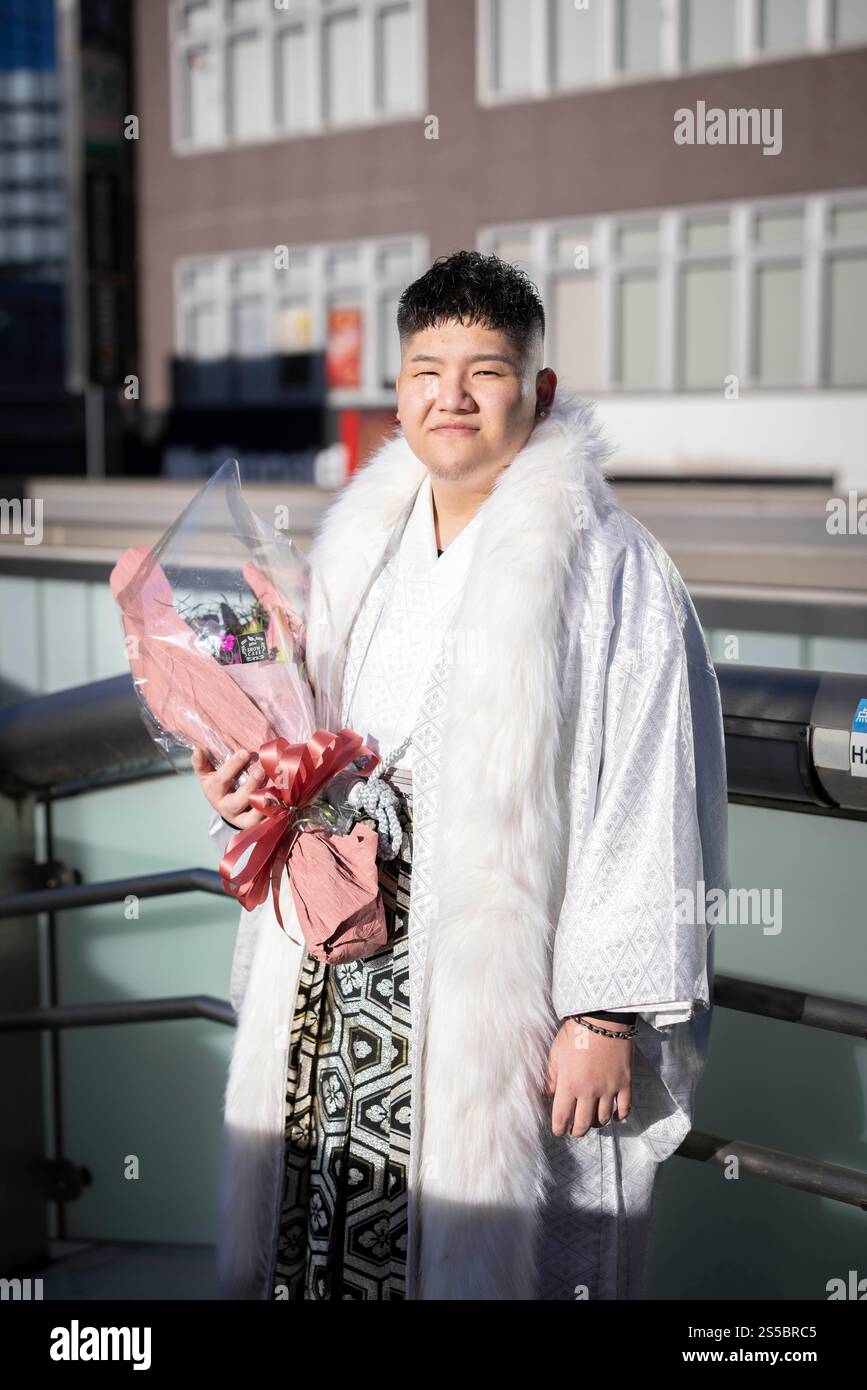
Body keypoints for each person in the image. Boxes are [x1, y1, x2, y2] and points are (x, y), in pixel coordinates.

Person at [192, 249, 729, 1301]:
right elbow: (300, 738)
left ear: (540, 388)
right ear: (396, 391)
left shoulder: (610, 564)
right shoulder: (363, 547)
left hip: (507, 997)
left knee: (498, 1250)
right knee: (333, 1243)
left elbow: (651, 782)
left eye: (486, 369)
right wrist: (245, 787)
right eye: (427, 368)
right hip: (343, 981)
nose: (452, 394)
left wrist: (607, 1009)